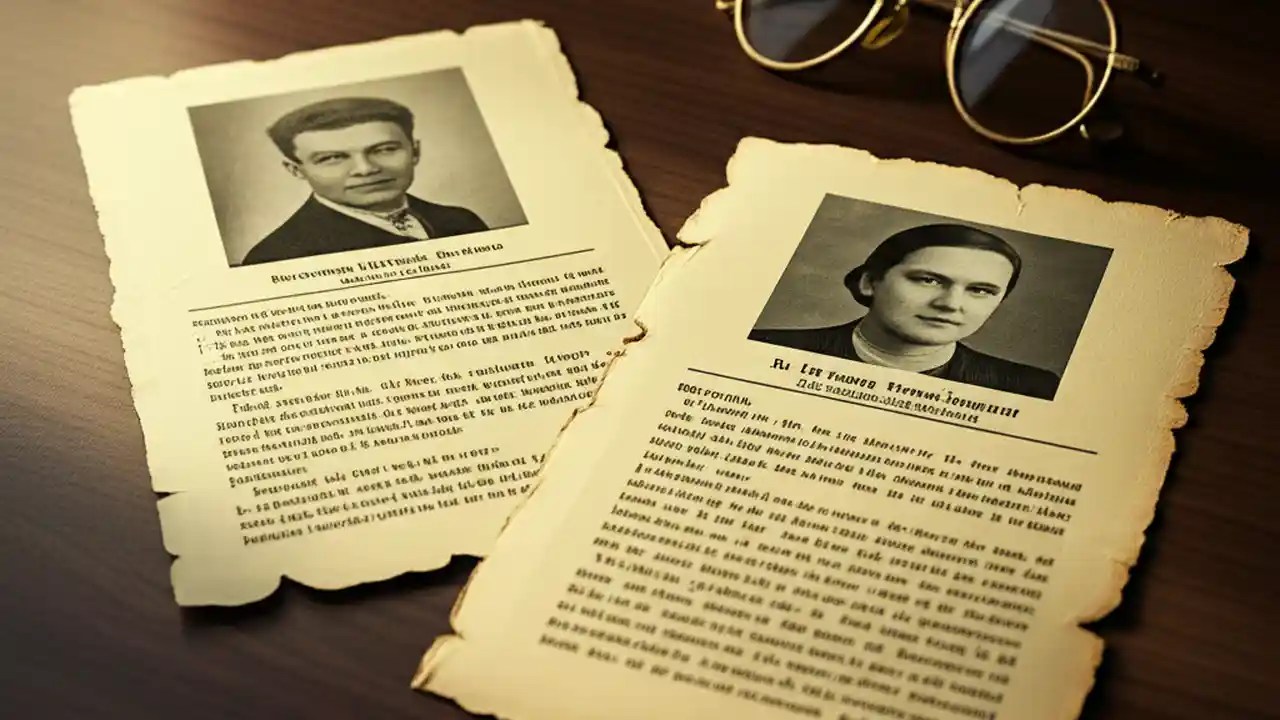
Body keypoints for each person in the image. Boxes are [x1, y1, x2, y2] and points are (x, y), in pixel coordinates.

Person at [750, 223, 1060, 399]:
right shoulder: (766, 347)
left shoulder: (1031, 388)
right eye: (928, 280)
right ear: (870, 282)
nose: (950, 304)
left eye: (980, 290)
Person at [240, 96, 488, 265]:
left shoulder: (461, 221)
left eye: (385, 149)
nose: (366, 169)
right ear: (296, 170)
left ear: (415, 152)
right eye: (332, 158)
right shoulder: (278, 256)